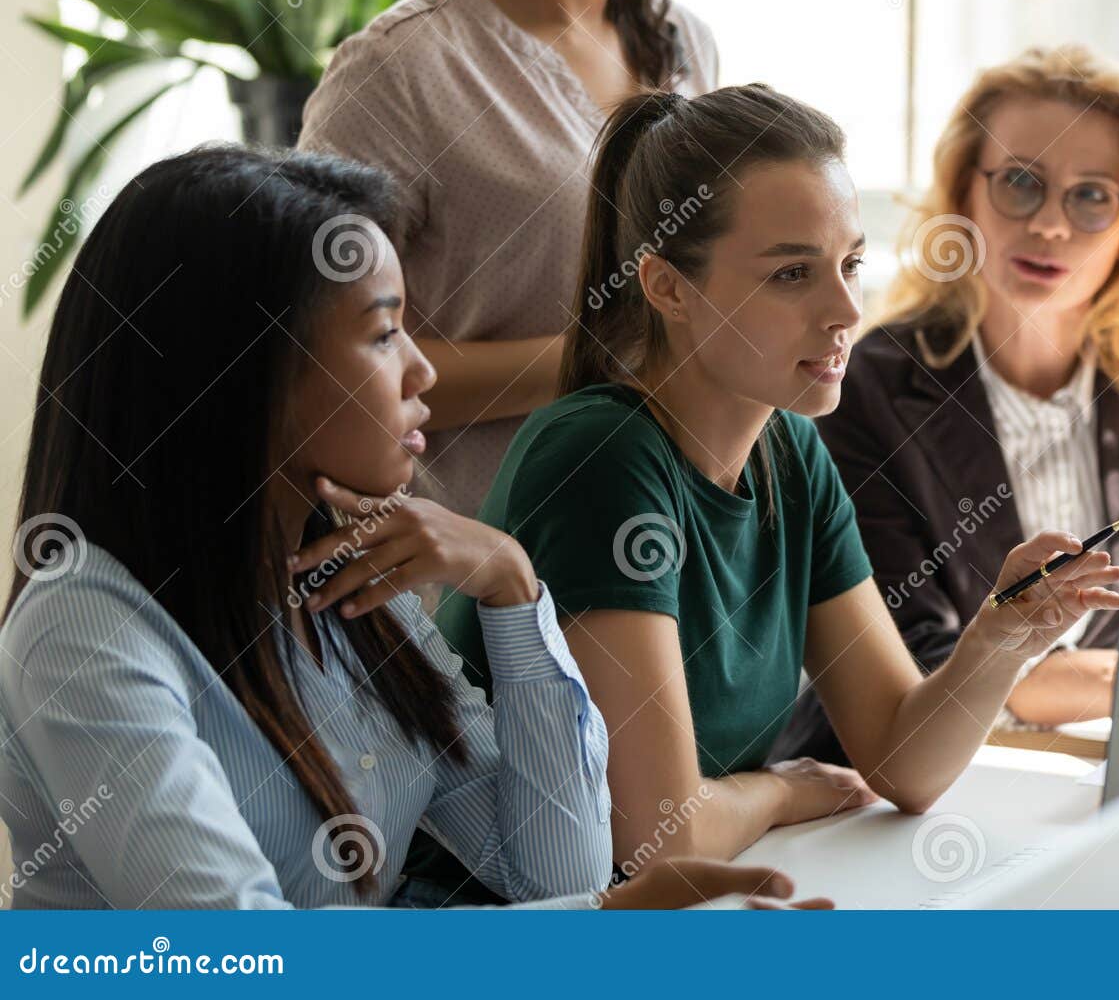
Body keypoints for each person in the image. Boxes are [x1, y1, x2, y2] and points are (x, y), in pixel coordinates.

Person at [0, 145, 818, 911]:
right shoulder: (84, 629)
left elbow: (552, 868)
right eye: (384, 332)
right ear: (248, 375)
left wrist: (510, 583)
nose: (422, 369)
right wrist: (595, 926)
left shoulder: (354, 581)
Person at [430, 84, 1119, 884]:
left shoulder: (790, 447)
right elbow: (660, 839)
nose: (844, 310)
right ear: (666, 287)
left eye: (851, 264)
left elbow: (905, 760)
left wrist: (1002, 635)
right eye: (793, 273)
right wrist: (779, 792)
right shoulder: (603, 455)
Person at [772, 45, 1119, 763]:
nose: (1051, 225)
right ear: (965, 192)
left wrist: (1081, 689)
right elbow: (915, 666)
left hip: (1102, 764)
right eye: (1021, 182)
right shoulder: (866, 388)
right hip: (913, 790)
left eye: (1092, 194)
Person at [297, 0, 729, 518]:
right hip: (478, 567)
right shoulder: (400, 73)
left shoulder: (686, 46)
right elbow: (321, 368)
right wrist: (606, 359)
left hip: (670, 540)